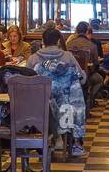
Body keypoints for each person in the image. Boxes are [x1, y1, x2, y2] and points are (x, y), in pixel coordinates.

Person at [29, 26, 88, 158]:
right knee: (76, 97)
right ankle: (75, 144)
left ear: (43, 41)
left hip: (40, 106)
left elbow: (27, 82)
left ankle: (44, 142)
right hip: (66, 107)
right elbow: (82, 78)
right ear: (58, 41)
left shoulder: (33, 59)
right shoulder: (68, 56)